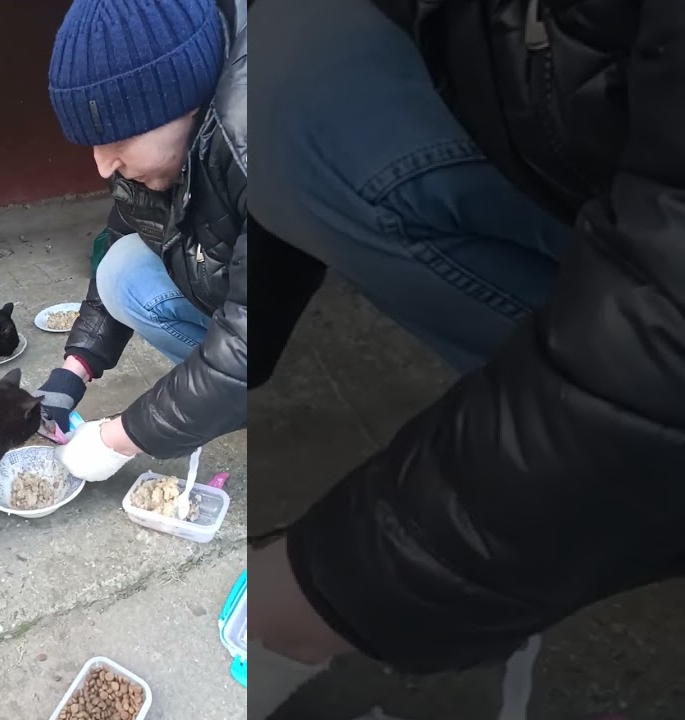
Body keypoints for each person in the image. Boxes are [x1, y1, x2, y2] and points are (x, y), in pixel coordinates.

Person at [244, 0, 685, 716]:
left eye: (114, 134)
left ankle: (583, 488)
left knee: (293, 108)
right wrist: (241, 353)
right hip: (571, 92)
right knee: (285, 80)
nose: (103, 165)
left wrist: (340, 583)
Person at [38, 0, 252, 479]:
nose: (101, 165)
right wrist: (76, 368)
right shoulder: (166, 142)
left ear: (183, 96)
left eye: (116, 139)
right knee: (122, 268)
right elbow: (127, 228)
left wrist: (119, 438)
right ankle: (217, 393)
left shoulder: (257, 138)